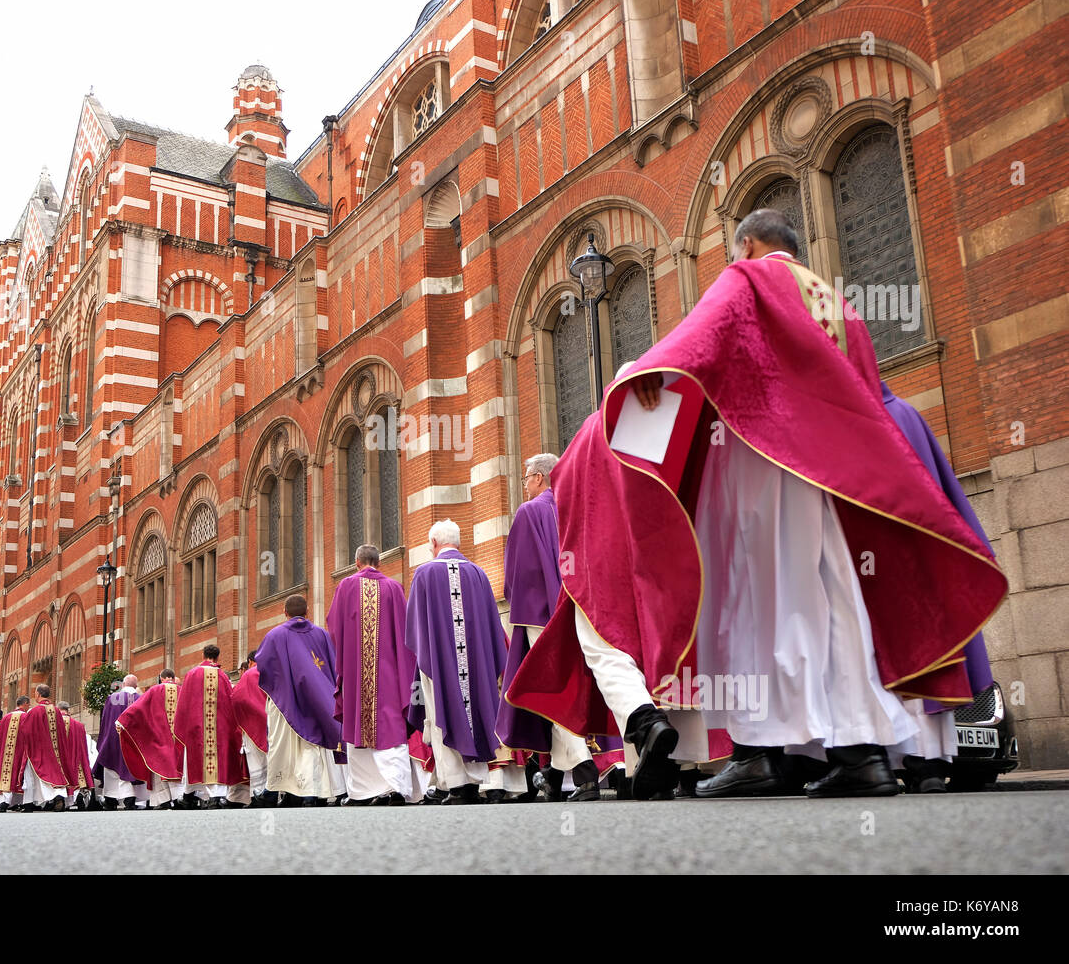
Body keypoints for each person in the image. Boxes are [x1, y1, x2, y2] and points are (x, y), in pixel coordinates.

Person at [507, 209, 1007, 800]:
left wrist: (633, 386)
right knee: (835, 603)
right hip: (833, 475)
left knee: (756, 601)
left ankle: (759, 753)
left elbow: (690, 348)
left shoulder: (748, 281)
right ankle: (860, 751)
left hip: (762, 466)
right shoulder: (833, 302)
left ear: (745, 244)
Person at [880, 380, 997, 793]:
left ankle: (915, 761)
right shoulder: (907, 413)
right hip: (921, 560)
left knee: (905, 653)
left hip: (893, 562)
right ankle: (927, 763)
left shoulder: (873, 415)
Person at [496, 453, 600, 803]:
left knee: (554, 693)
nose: (525, 484)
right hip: (583, 611)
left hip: (543, 615)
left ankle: (586, 775)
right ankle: (553, 779)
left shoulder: (530, 511)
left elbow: (520, 573)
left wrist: (518, 605)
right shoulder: (576, 506)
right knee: (567, 688)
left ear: (539, 478)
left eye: (526, 478)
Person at [405, 519, 509, 805]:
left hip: (438, 665)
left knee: (443, 717)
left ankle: (457, 786)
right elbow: (493, 626)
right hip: (477, 666)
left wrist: (428, 655)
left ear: (434, 543)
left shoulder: (424, 573)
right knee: (476, 712)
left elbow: (414, 628)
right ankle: (474, 783)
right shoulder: (478, 573)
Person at [328, 543, 422, 805]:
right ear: (379, 563)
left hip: (357, 673)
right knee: (390, 724)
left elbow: (334, 628)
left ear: (357, 562)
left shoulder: (345, 586)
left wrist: (347, 655)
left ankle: (364, 791)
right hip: (389, 672)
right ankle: (395, 787)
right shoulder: (393, 587)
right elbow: (406, 631)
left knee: (360, 725)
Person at [256, 595, 345, 806]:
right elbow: (334, 667)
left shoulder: (274, 635)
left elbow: (263, 666)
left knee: (283, 747)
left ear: (284, 612)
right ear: (307, 613)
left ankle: (283, 791)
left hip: (284, 703)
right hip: (317, 700)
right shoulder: (322, 635)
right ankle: (309, 793)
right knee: (311, 745)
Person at [178, 645, 247, 808]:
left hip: (197, 728)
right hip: (220, 728)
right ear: (217, 657)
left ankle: (200, 796)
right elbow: (230, 703)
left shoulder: (192, 674)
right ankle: (216, 796)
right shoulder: (222, 676)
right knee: (219, 760)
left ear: (203, 655)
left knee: (197, 761)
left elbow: (183, 704)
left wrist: (184, 724)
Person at [116, 670, 187, 809]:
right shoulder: (182, 690)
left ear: (161, 678)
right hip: (179, 739)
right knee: (178, 767)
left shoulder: (155, 690)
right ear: (173, 678)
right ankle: (180, 797)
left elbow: (138, 708)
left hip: (160, 737)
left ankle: (163, 800)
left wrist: (121, 721)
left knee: (158, 767)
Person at [94, 675, 148, 810]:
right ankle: (130, 799)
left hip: (113, 740)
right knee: (130, 768)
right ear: (136, 686)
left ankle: (110, 800)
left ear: (123, 685)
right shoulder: (141, 699)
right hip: (133, 741)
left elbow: (105, 722)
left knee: (112, 770)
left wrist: (103, 741)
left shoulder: (112, 699)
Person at [19, 684, 73, 812]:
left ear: (38, 694)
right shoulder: (55, 710)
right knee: (54, 772)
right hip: (55, 750)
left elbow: (25, 731)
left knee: (33, 775)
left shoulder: (34, 711)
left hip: (39, 749)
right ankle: (58, 795)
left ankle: (29, 803)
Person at [232, 652, 272, 806]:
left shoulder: (248, 675)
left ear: (249, 662)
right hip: (272, 721)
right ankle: (275, 793)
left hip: (252, 723)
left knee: (256, 760)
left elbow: (237, 698)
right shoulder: (272, 670)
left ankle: (257, 794)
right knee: (273, 758)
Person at [0, 696, 31, 812]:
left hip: (6, 752)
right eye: (28, 705)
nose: (29, 707)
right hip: (21, 751)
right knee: (22, 777)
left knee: (8, 776)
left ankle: (5, 802)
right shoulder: (26, 716)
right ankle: (22, 803)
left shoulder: (6, 718)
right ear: (24, 704)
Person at [57, 701, 95, 808]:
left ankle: (61, 800)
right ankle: (78, 796)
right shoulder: (79, 725)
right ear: (68, 711)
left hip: (60, 759)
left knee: (60, 778)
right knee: (77, 777)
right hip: (75, 758)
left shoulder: (54, 724)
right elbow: (83, 747)